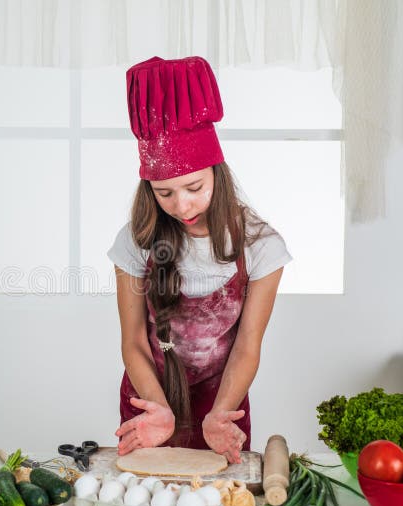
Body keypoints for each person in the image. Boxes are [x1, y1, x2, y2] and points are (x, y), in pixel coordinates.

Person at [108, 56, 292, 464]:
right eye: (164, 192)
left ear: (216, 173)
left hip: (220, 410)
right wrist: (160, 410)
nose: (182, 204)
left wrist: (219, 413)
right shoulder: (135, 241)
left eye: (194, 187)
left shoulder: (260, 245)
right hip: (149, 404)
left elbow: (247, 346)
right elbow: (134, 340)